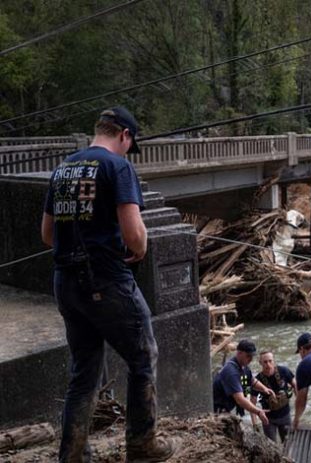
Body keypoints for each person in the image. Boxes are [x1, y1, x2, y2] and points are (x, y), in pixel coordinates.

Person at [41, 106, 179, 462]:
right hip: (105, 279)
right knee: (143, 355)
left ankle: (71, 454)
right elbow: (134, 234)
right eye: (128, 144)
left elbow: (46, 234)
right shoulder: (118, 166)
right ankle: (142, 443)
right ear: (124, 136)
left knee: (83, 370)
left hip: (65, 284)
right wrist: (139, 246)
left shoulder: (62, 169)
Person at [212, 340, 269, 427]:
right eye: (248, 356)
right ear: (239, 353)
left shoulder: (243, 366)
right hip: (217, 410)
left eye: (252, 356)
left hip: (229, 407)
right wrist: (258, 411)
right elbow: (240, 400)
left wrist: (265, 389)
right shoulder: (231, 372)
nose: (250, 359)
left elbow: (252, 381)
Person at [252, 350, 297, 443]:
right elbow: (252, 402)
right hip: (268, 420)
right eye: (265, 362)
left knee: (288, 445)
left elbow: (296, 386)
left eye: (270, 361)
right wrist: (255, 424)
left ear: (274, 361)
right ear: (260, 363)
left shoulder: (284, 371)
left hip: (285, 416)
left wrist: (298, 411)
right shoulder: (257, 381)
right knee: (271, 447)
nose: (268, 364)